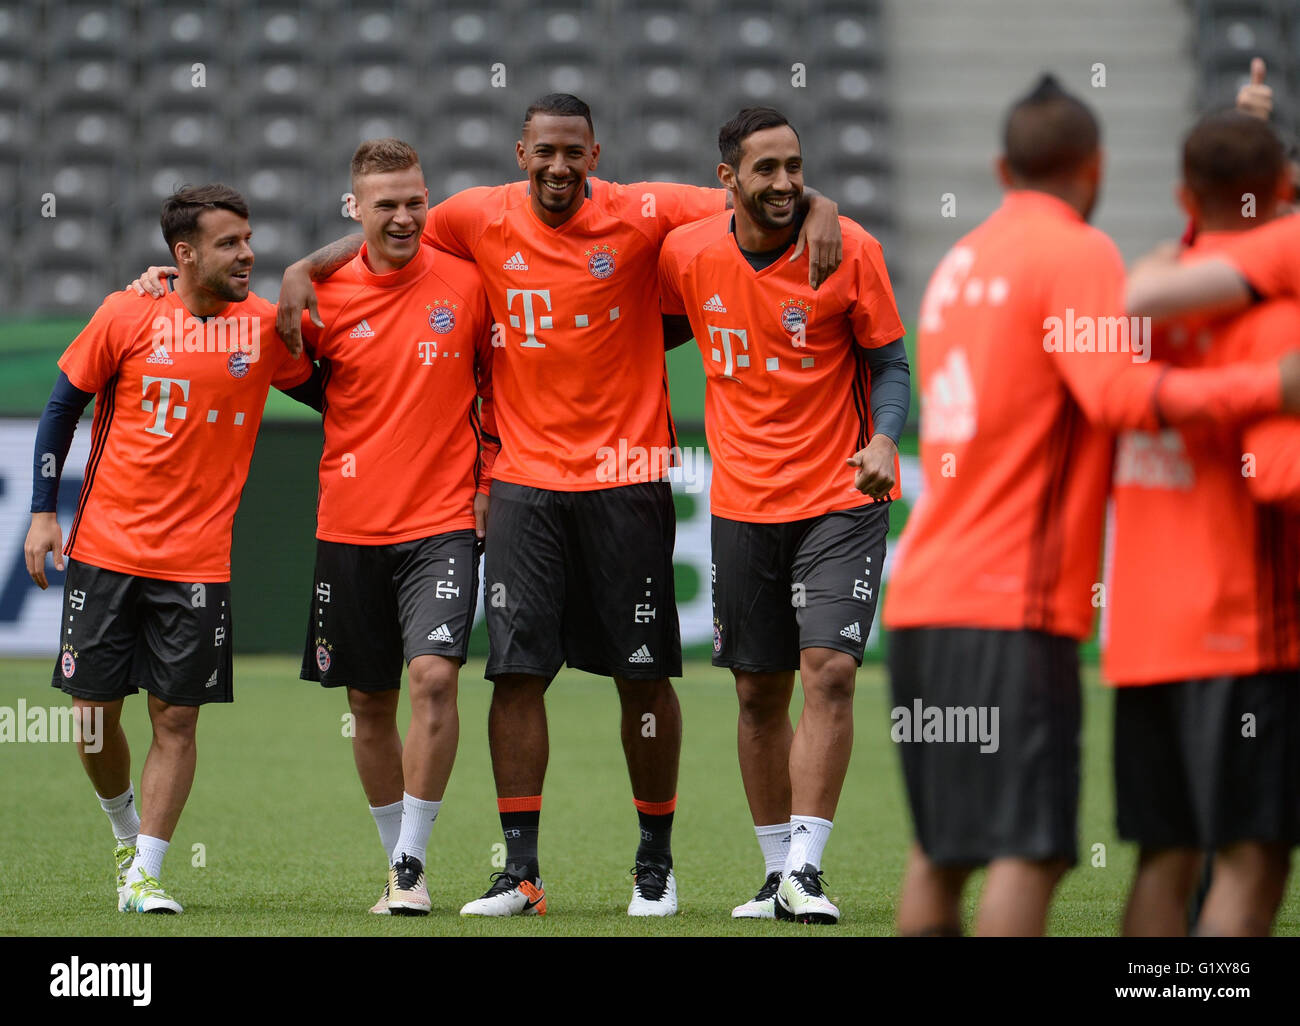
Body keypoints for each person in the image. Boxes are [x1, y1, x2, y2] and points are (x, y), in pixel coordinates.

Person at [268, 94, 846, 918]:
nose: (559, 167)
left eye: (574, 152)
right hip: (525, 485)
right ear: (520, 153)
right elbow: (383, 233)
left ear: (595, 153)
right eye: (544, 151)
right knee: (516, 675)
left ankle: (655, 866)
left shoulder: (643, 210)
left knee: (643, 682)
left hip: (628, 476)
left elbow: (756, 196)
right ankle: (523, 873)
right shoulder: (472, 216)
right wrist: (303, 269)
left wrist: (819, 203)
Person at [882, 75, 1300, 937]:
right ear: (1097, 164)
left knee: (942, 852)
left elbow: (1160, 313)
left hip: (927, 594)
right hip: (1015, 606)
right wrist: (1272, 386)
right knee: (1031, 851)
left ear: (1003, 166)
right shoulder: (1077, 254)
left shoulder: (964, 261)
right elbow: (1116, 395)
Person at [130, 140, 499, 918]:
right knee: (368, 704)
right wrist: (157, 288)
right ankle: (396, 858)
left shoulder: (469, 283)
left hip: (442, 523)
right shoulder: (312, 302)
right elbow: (224, 315)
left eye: (414, 201)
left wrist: (490, 477)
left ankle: (409, 864)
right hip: (350, 525)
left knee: (434, 678)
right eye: (385, 203)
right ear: (353, 209)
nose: (402, 216)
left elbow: (502, 387)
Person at [24, 185, 314, 913]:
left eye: (249, 239)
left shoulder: (264, 328)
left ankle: (146, 873)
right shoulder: (127, 312)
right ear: (183, 254)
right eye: (228, 243)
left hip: (199, 563)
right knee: (91, 715)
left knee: (175, 718)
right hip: (106, 550)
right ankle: (124, 832)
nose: (247, 253)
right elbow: (62, 407)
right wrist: (40, 514)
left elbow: (342, 387)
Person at [657, 107, 908, 924]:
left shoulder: (850, 247)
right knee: (757, 694)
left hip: (841, 496)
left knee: (829, 673)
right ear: (725, 179)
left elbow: (890, 361)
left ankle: (808, 869)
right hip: (740, 503)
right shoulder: (686, 252)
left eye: (796, 167)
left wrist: (885, 438)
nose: (787, 184)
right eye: (765, 169)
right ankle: (773, 875)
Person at [1105, 111, 1300, 937]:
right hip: (1241, 632)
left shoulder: (1133, 318)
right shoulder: (1276, 322)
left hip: (1144, 638)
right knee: (1252, 857)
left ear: (1185, 196)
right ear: (1284, 192)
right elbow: (1281, 484)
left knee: (1165, 855)